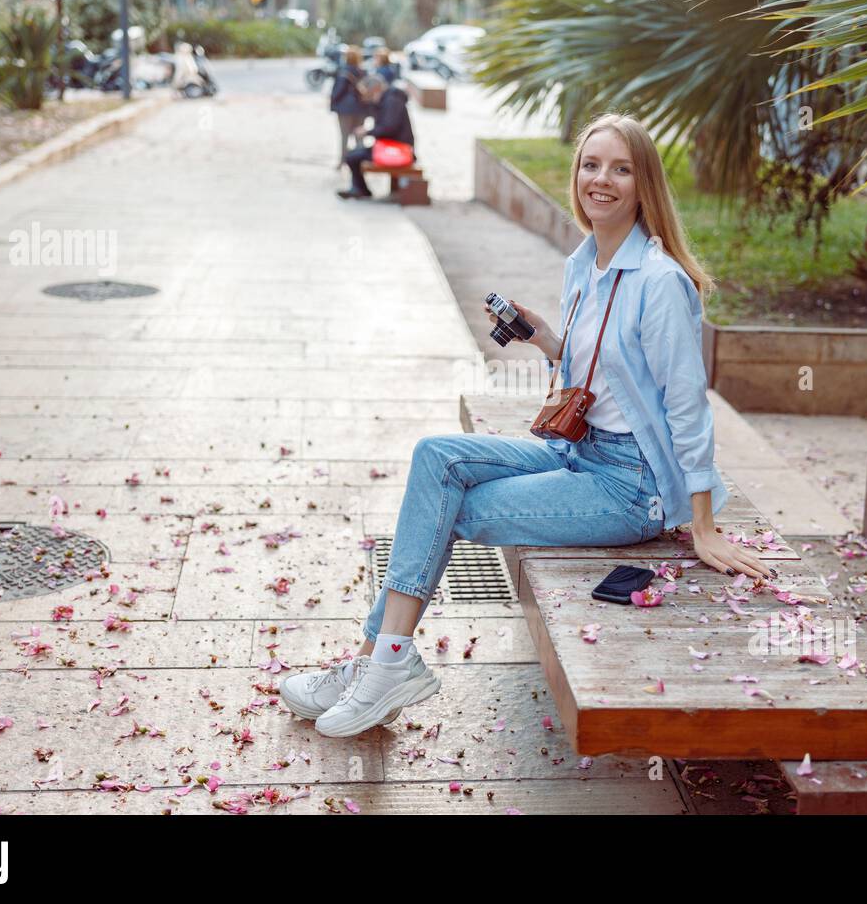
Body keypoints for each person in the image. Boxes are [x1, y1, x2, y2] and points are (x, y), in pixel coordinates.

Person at [285, 113, 776, 737]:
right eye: (591, 165)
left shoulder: (660, 282)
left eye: (621, 169)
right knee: (436, 457)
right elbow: (602, 374)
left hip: (633, 487)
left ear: (644, 184)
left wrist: (702, 525)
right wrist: (547, 338)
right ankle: (376, 662)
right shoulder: (586, 265)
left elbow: (688, 407)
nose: (602, 179)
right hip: (580, 454)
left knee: (449, 507)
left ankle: (379, 662)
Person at [336, 74, 415, 200]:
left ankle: (360, 189)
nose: (364, 96)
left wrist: (367, 132)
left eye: (366, 92)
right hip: (391, 145)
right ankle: (359, 188)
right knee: (353, 154)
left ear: (375, 88)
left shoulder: (391, 100)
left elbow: (389, 128)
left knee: (352, 157)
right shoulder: (387, 99)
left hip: (397, 147)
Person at [328, 46, 365, 167]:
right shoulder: (362, 72)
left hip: (345, 109)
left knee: (344, 136)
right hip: (360, 108)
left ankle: (342, 160)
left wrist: (332, 103)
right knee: (359, 136)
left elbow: (338, 92)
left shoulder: (343, 72)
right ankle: (361, 160)